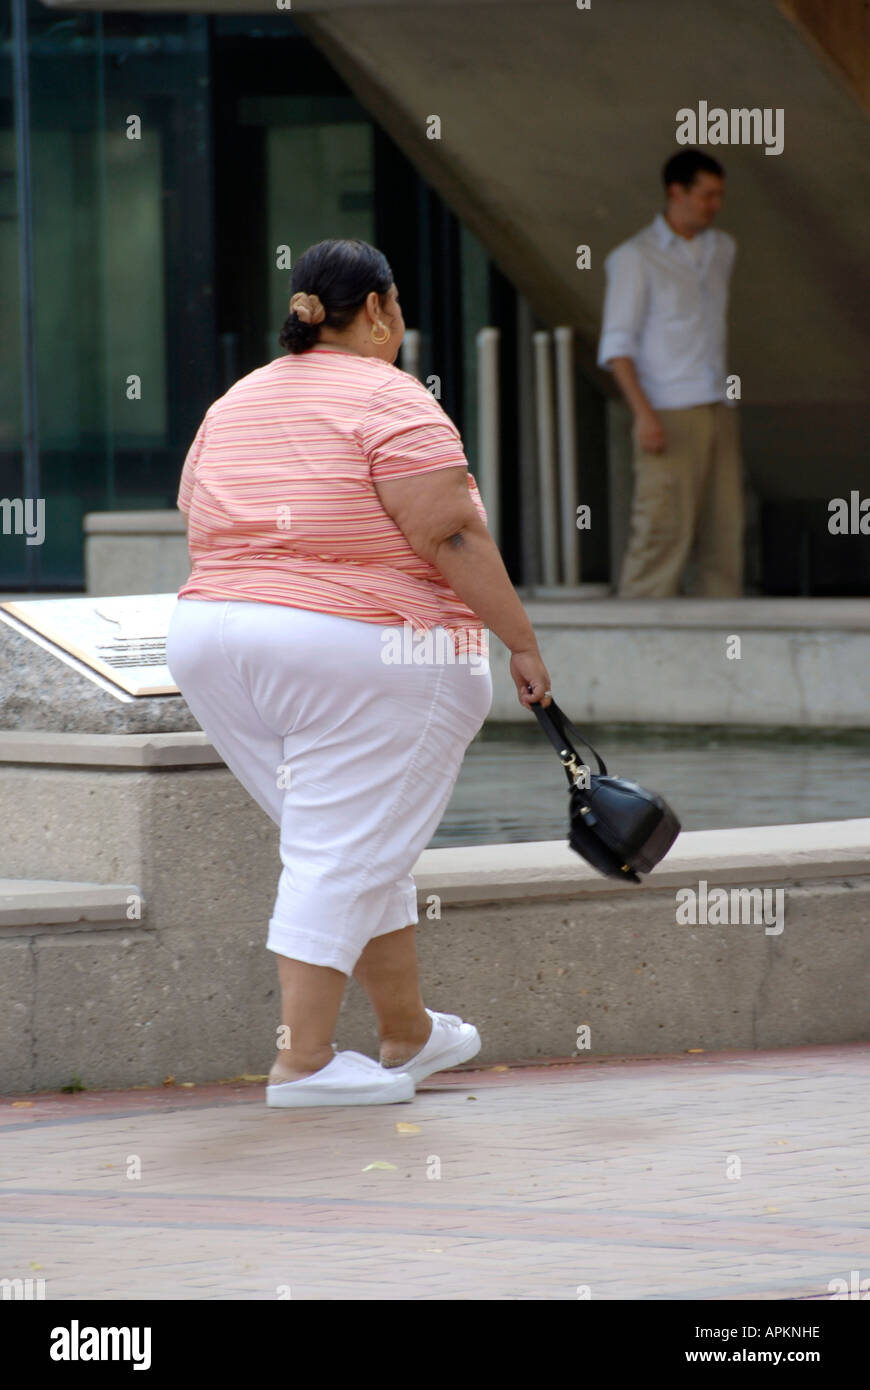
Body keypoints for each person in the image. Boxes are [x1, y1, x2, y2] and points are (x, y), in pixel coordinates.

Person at [165, 238, 552, 1108]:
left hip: (211, 639)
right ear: (377, 309)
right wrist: (520, 641)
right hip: (360, 646)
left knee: (349, 835)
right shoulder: (391, 395)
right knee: (340, 845)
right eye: (400, 307)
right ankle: (302, 1062)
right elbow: (448, 531)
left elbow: (194, 506)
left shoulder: (240, 396)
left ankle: (406, 1035)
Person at [597, 149, 744, 597]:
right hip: (666, 407)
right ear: (675, 192)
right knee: (661, 528)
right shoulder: (635, 257)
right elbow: (617, 346)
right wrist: (644, 415)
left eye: (718, 195)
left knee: (725, 530)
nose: (714, 204)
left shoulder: (722, 250)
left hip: (716, 402)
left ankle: (723, 642)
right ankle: (637, 636)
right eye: (706, 195)